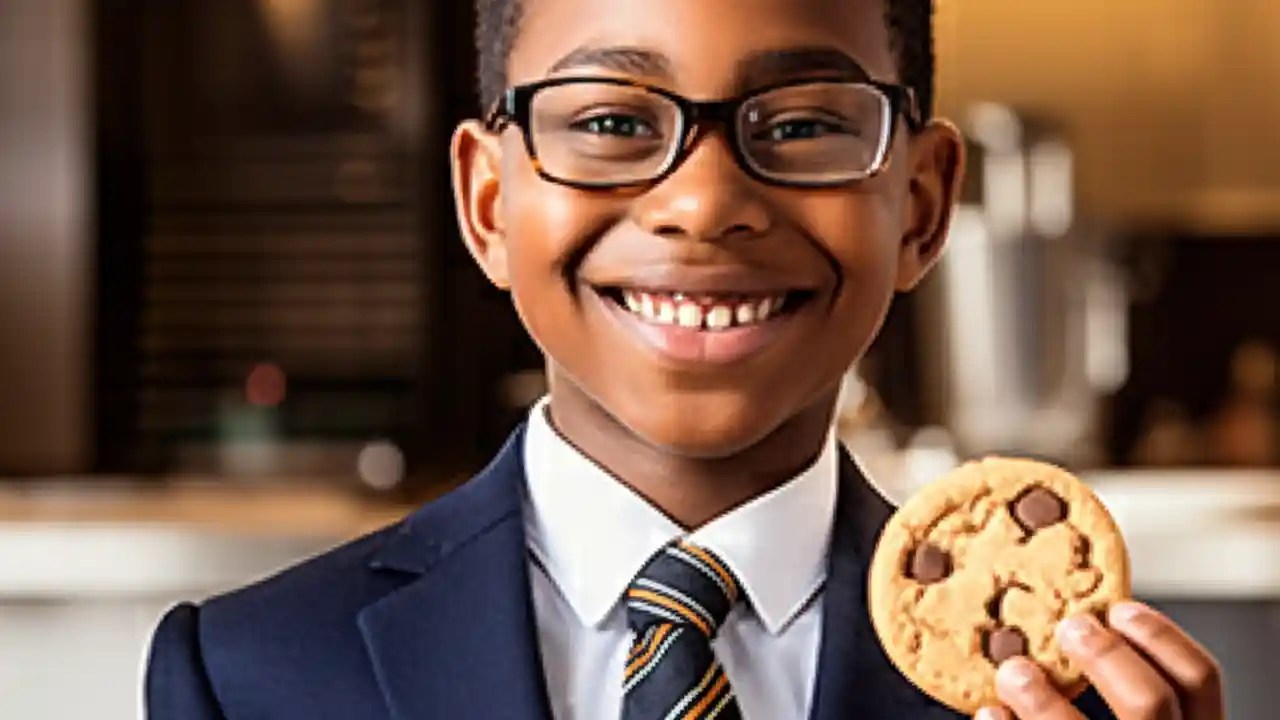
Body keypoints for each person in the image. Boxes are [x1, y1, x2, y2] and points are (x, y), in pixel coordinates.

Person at [145, 1, 1226, 718]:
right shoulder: (251, 677)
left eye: (802, 127)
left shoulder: (1059, 689)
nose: (704, 204)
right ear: (486, 203)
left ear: (920, 207)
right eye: (612, 119)